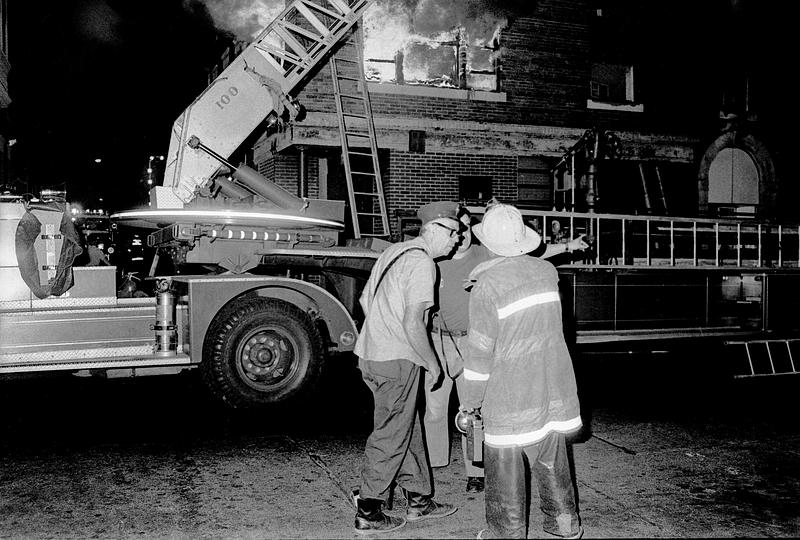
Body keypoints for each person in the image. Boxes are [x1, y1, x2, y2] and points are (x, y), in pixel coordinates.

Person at [421, 201, 588, 495]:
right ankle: (434, 464)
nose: (462, 236)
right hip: (441, 340)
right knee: (435, 409)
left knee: (472, 412)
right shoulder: (435, 258)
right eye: (457, 230)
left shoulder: (485, 253)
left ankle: (476, 471)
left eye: (466, 229)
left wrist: (568, 246)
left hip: (473, 340)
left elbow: (529, 253)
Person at [461, 202, 584, 539]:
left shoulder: (487, 286)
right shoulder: (546, 273)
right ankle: (564, 524)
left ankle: (506, 532)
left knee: (504, 466)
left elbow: (479, 354)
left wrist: (469, 402)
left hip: (510, 392)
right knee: (551, 455)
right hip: (552, 384)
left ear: (488, 244)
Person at [352, 205, 461, 535]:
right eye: (454, 232)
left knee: (403, 424)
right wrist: (433, 363)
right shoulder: (422, 263)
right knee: (390, 433)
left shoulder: (394, 252)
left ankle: (418, 499)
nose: (458, 240)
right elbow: (413, 322)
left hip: (372, 355)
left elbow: (365, 302)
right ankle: (369, 511)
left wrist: (384, 332)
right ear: (435, 229)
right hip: (397, 359)